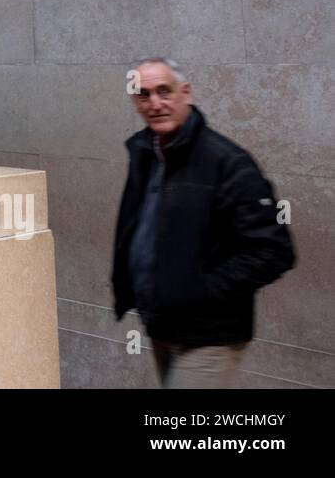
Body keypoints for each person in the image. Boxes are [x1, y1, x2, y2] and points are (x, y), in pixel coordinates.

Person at [112, 57, 295, 388]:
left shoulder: (227, 162)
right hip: (162, 325)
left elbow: (275, 250)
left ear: (186, 93)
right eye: (143, 94)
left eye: (164, 91)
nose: (155, 103)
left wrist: (198, 292)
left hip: (209, 335)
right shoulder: (145, 153)